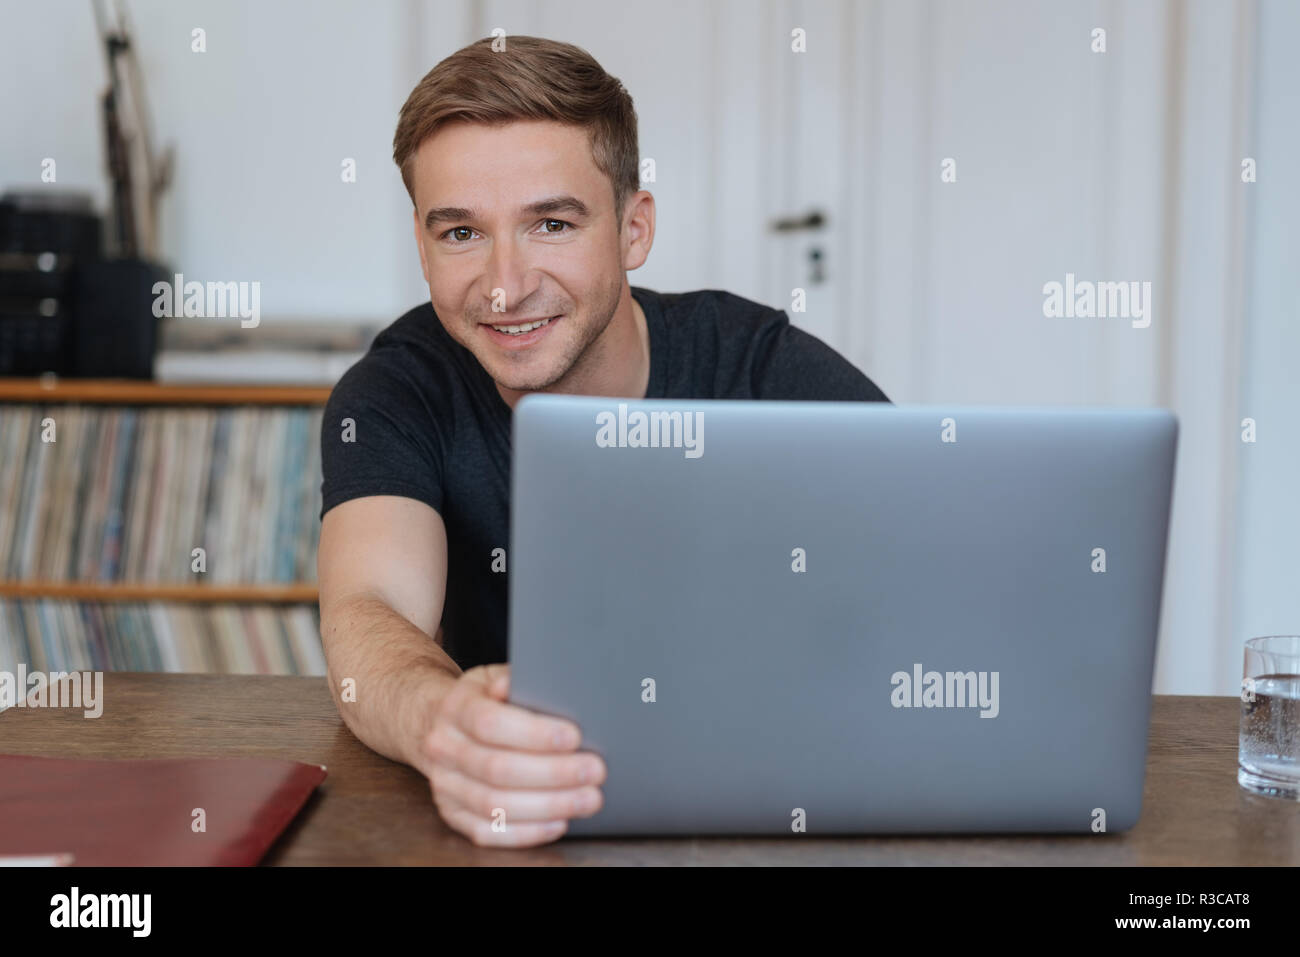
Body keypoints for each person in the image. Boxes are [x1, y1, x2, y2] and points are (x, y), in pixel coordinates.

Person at [317, 35, 890, 848]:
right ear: (421, 242)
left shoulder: (754, 361)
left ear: (633, 228)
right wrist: (445, 722)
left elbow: (919, 556)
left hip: (768, 806)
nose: (505, 285)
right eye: (460, 234)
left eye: (551, 223)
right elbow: (368, 610)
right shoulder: (394, 392)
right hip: (526, 819)